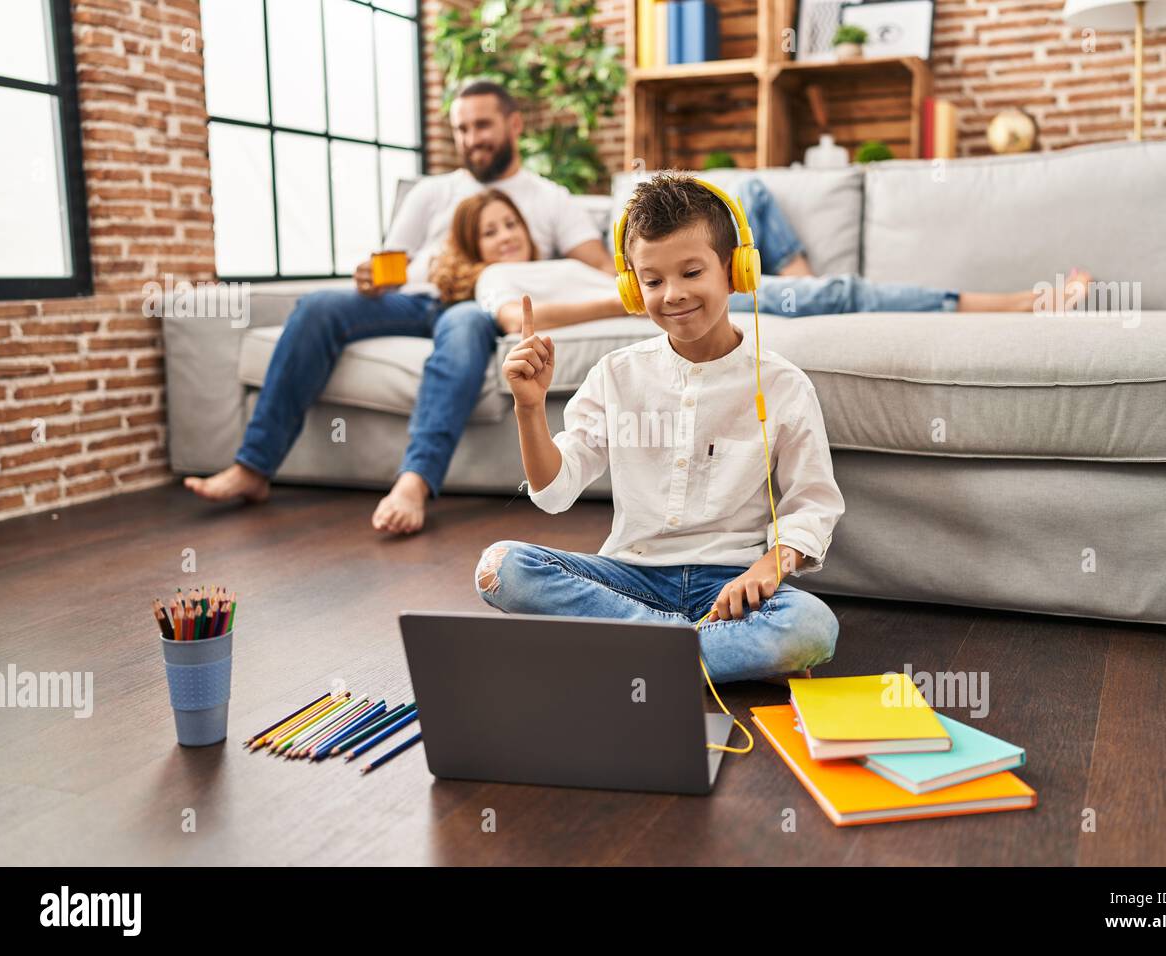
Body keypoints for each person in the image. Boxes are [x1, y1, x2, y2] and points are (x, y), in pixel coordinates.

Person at [184, 79, 613, 535]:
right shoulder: (430, 192)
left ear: (513, 124)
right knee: (318, 307)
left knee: (465, 328)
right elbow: (395, 262)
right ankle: (254, 468)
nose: (472, 139)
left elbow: (599, 267)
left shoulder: (550, 199)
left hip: (477, 306)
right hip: (412, 300)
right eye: (461, 129)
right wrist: (372, 276)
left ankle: (413, 482)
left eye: (482, 125)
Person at [474, 173, 847, 684]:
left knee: (811, 627)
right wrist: (529, 409)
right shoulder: (615, 374)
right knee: (500, 568)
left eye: (691, 272)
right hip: (629, 576)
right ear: (632, 287)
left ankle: (634, 649)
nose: (672, 295)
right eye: (652, 281)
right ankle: (694, 651)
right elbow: (554, 493)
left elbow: (813, 502)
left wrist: (770, 567)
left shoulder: (784, 384)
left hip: (729, 584)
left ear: (736, 270)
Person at [463, 174, 1093, 329]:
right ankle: (1017, 304)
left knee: (748, 192)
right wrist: (633, 294)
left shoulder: (566, 261)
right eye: (488, 233)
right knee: (841, 293)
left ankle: (789, 273)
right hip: (645, 302)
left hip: (648, 280)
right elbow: (518, 321)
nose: (504, 237)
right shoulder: (495, 278)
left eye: (508, 223)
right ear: (476, 249)